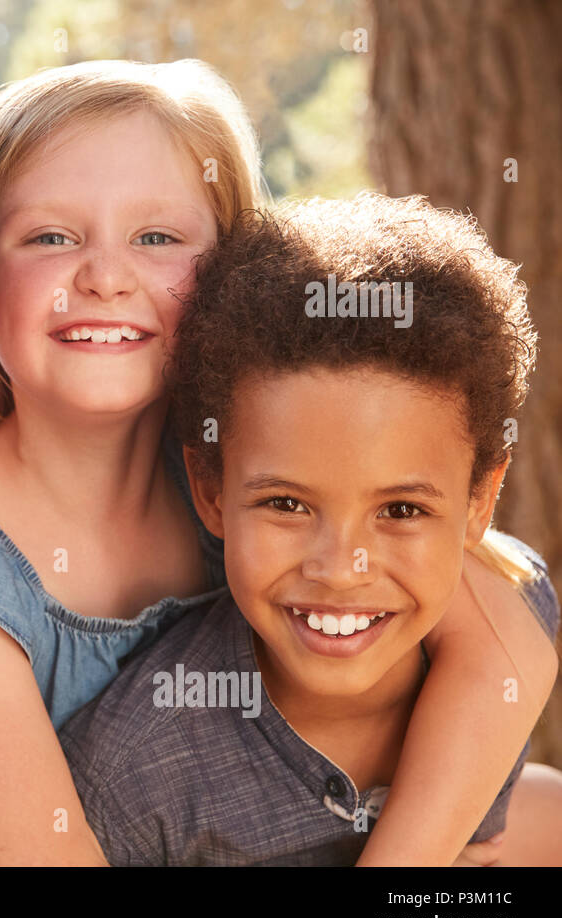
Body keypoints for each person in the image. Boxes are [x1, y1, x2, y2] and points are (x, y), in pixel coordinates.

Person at [0, 60, 556, 866]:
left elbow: (506, 627)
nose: (105, 275)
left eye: (156, 237)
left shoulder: (262, 478)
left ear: (231, 282)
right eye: (51, 237)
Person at [59, 195, 561, 865]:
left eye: (401, 511)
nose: (341, 566)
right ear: (211, 490)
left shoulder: (516, 606)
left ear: (479, 502)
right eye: (287, 505)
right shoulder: (136, 772)